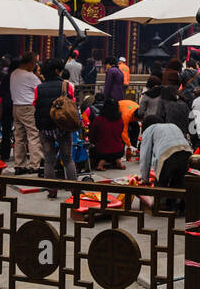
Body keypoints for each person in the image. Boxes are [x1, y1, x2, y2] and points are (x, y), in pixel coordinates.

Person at [34, 58, 78, 190]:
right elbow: (72, 102)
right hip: (62, 126)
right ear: (57, 71)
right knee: (68, 159)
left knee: (49, 160)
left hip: (45, 127)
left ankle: (51, 190)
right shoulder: (67, 86)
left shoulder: (39, 88)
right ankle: (73, 188)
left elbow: (35, 104)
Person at [8, 52, 42, 174]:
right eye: (35, 63)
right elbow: (40, 89)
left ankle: (19, 164)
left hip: (16, 106)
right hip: (28, 107)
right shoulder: (30, 76)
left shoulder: (14, 73)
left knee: (19, 137)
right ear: (30, 63)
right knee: (33, 135)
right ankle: (34, 164)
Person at [88, 98, 127, 170]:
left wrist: (92, 142)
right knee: (114, 146)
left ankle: (101, 163)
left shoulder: (98, 119)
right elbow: (120, 132)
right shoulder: (120, 119)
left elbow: (92, 135)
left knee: (92, 149)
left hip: (102, 151)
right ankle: (117, 160)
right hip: (119, 151)